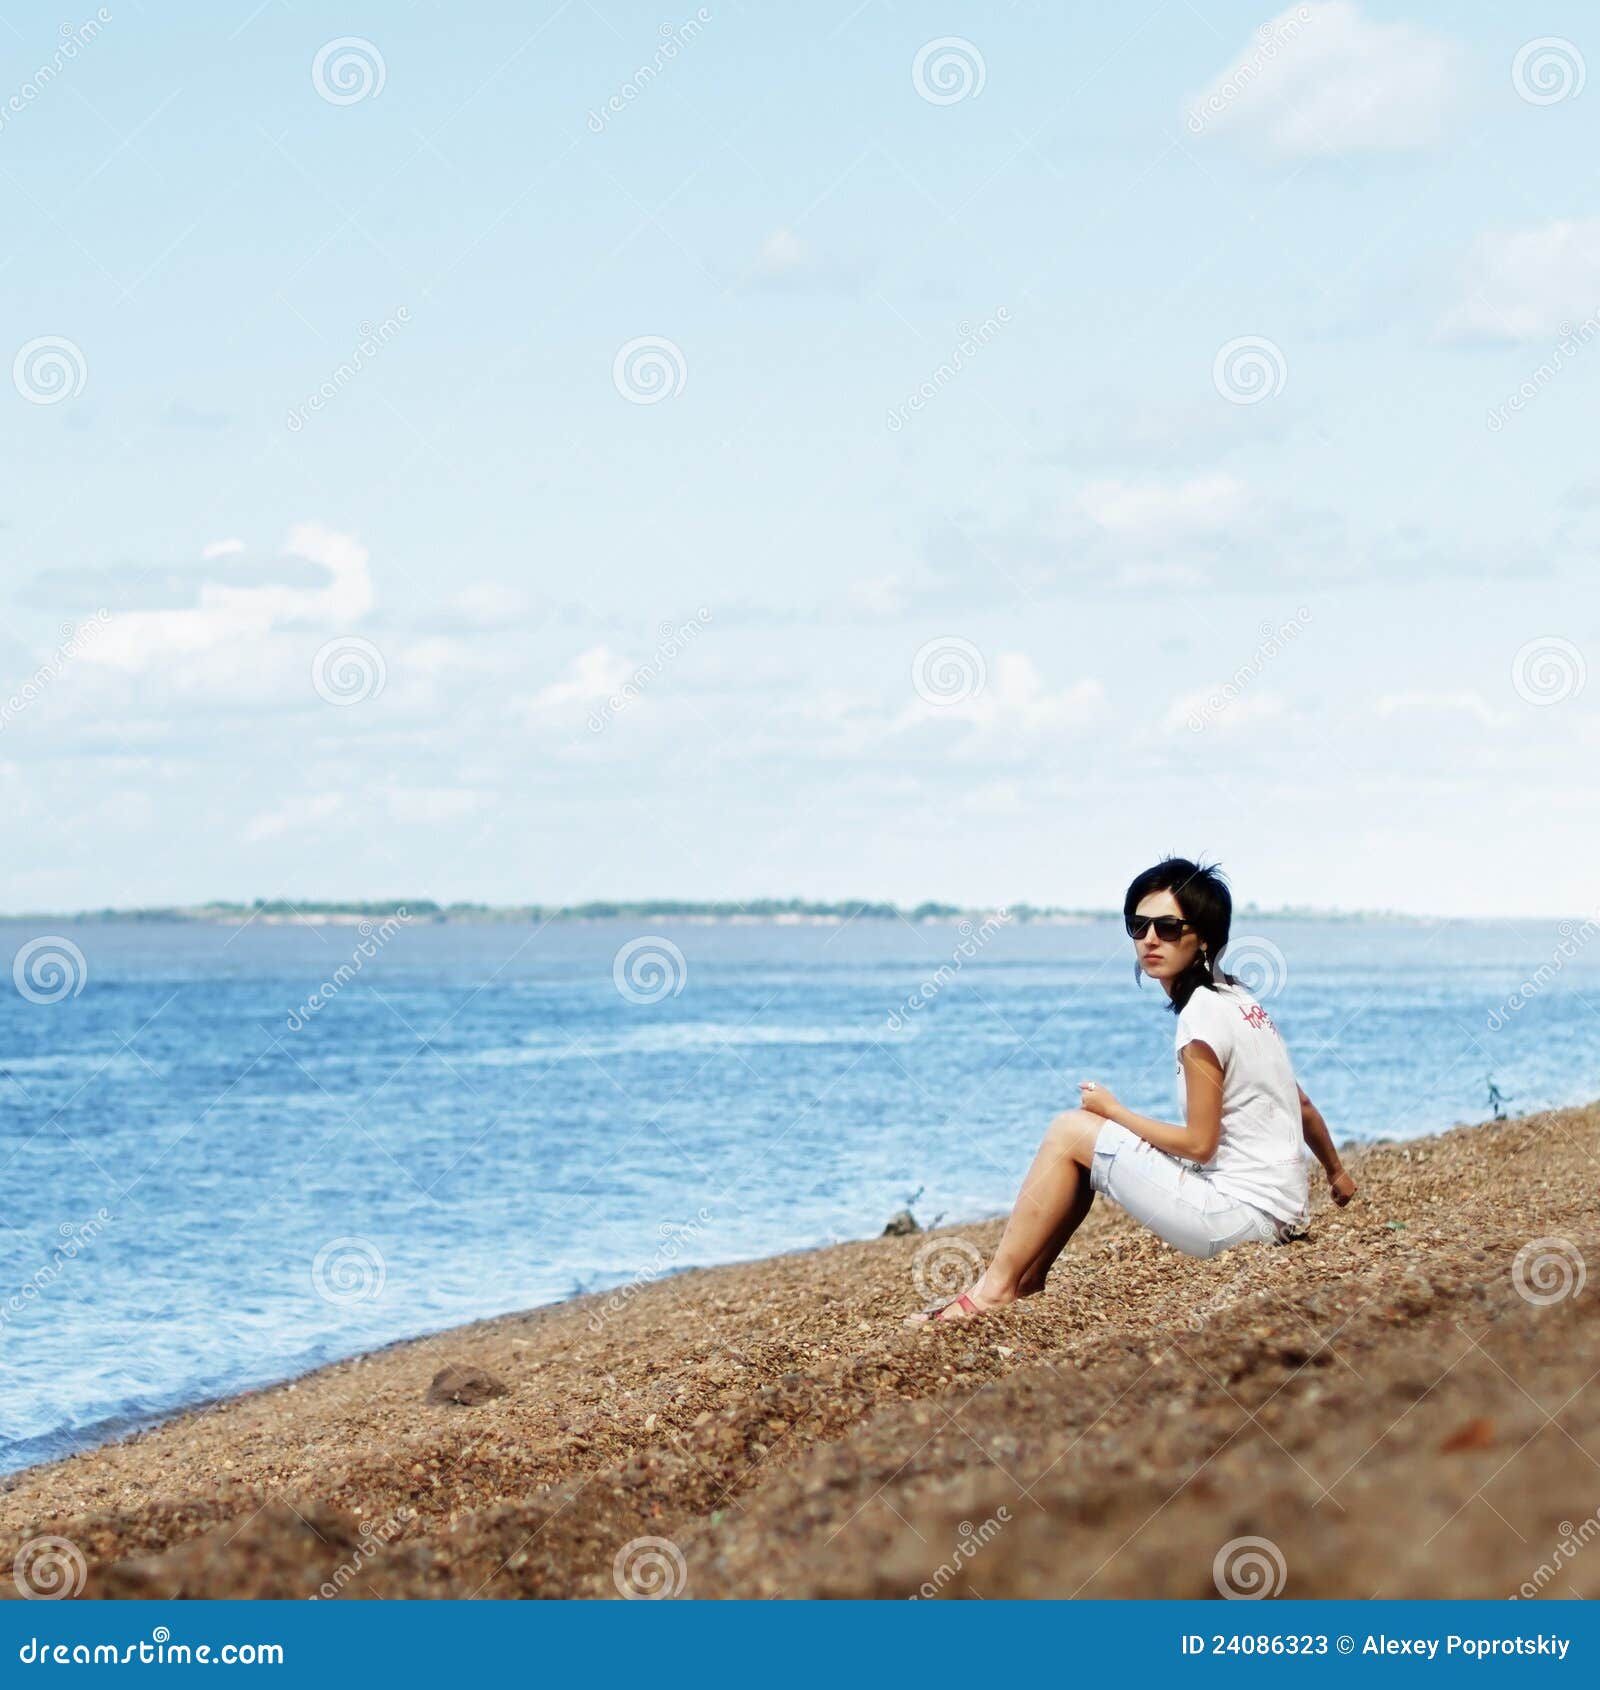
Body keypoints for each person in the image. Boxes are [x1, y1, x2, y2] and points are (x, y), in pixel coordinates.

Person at [909, 856, 1357, 1325]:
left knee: (1070, 1130)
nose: (1149, 939)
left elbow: (1200, 1145)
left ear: (1204, 937)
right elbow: (1298, 1101)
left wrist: (1113, 1110)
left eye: (1168, 927)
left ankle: (993, 1292)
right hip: (1279, 1216)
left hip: (1239, 1220)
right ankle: (1024, 1283)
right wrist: (1336, 1173)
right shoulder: (1240, 1000)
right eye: (1138, 926)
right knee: (1082, 1145)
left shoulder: (1201, 1016)